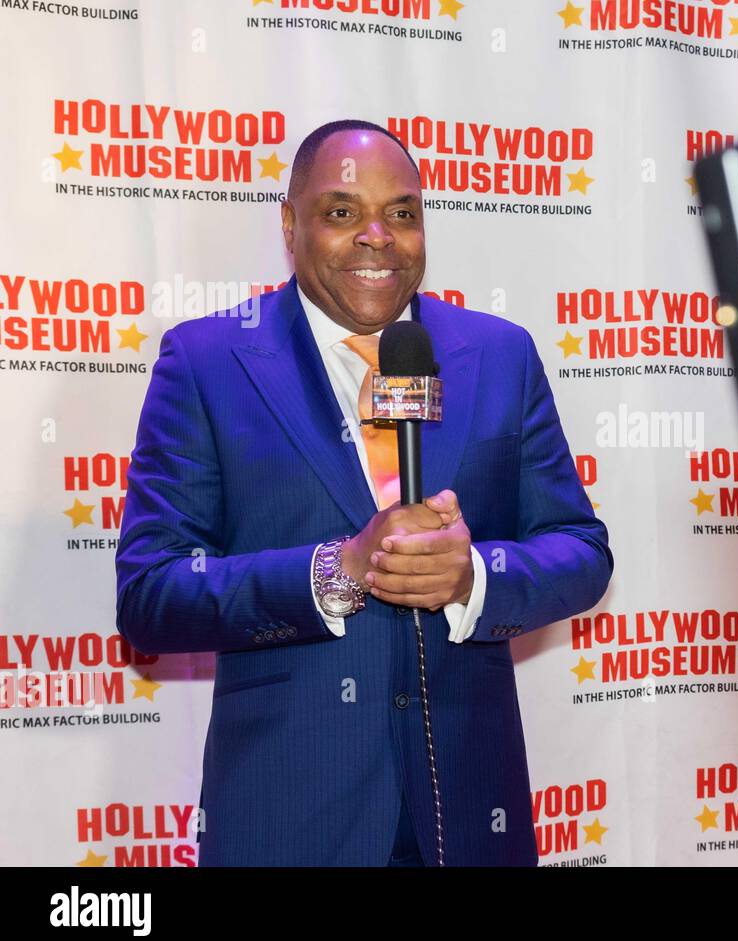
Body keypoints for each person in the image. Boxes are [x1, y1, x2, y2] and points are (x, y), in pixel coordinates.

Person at [115, 119, 613, 866]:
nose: (377, 237)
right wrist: (335, 572)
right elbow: (151, 594)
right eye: (342, 211)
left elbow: (580, 551)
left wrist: (473, 576)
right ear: (291, 224)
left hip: (471, 820)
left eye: (402, 213)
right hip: (287, 821)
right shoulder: (208, 360)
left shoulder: (501, 354)